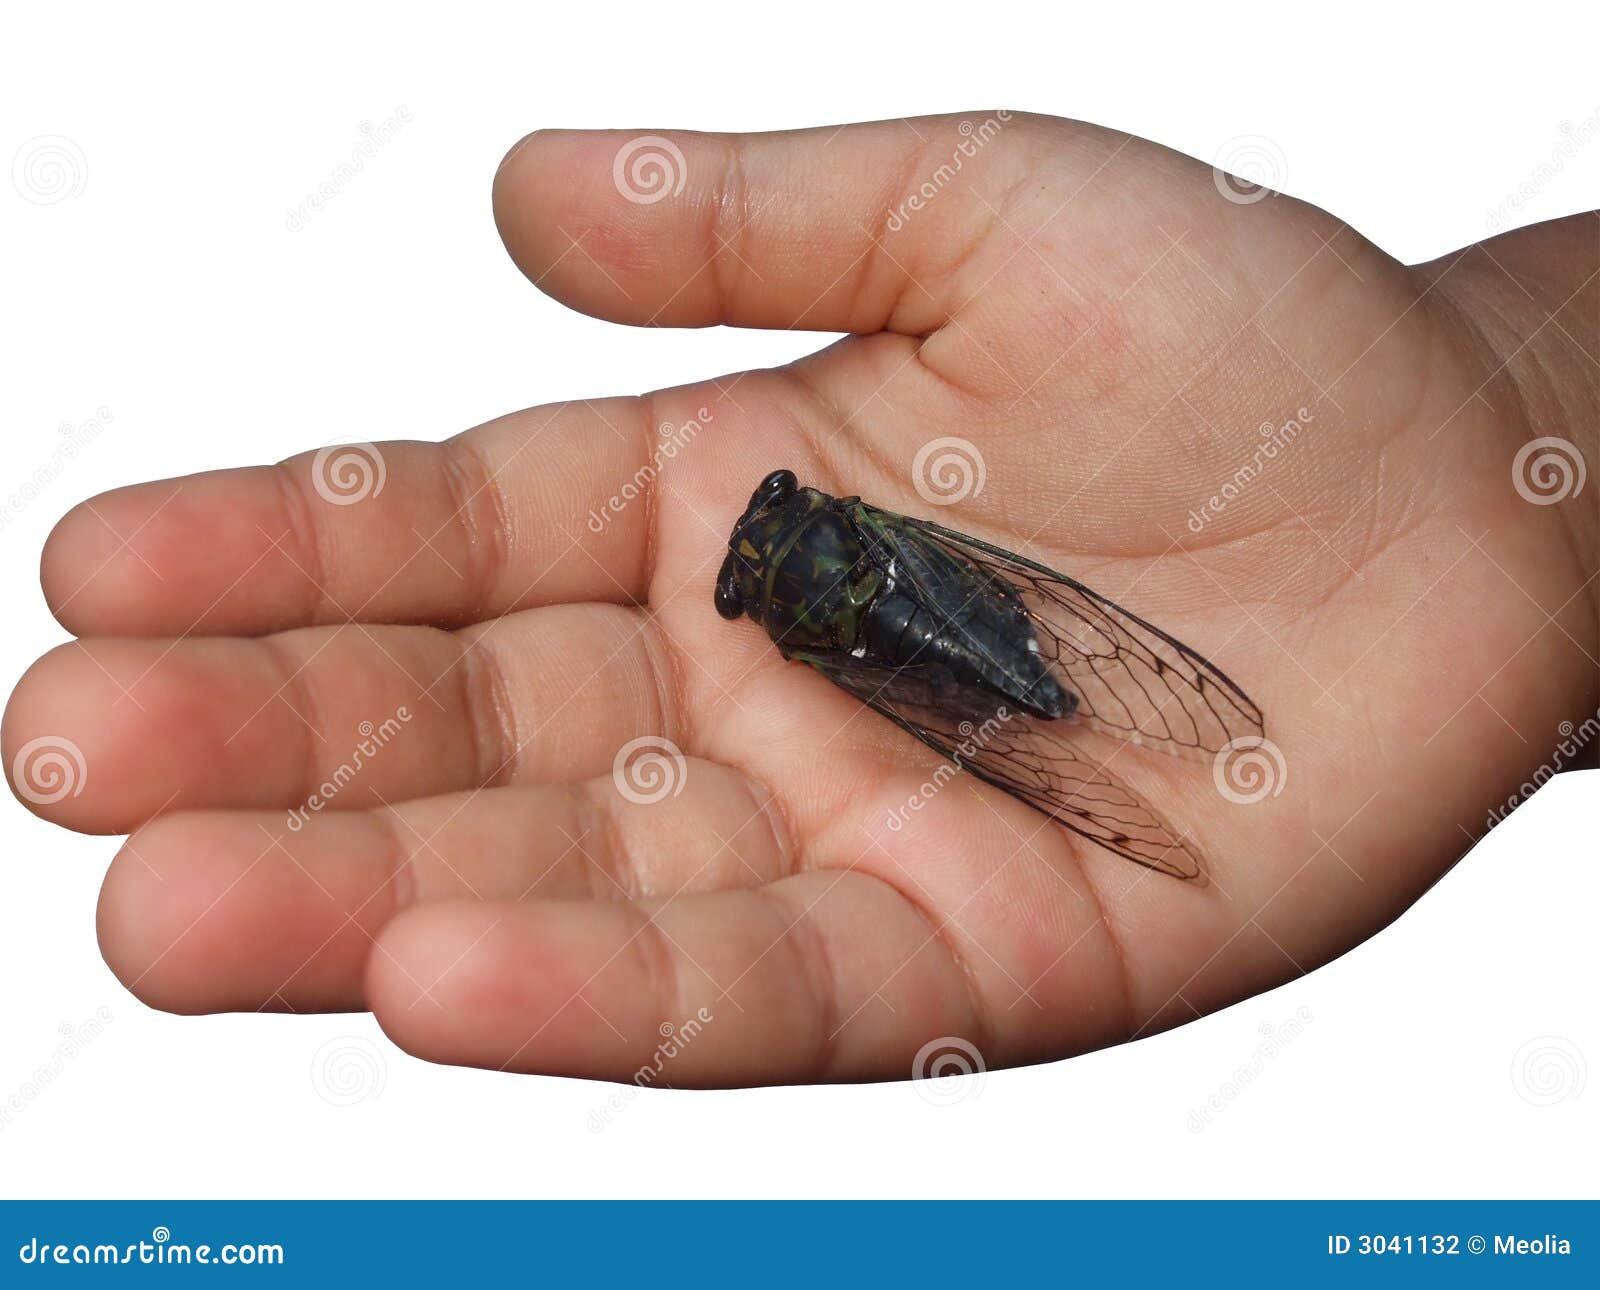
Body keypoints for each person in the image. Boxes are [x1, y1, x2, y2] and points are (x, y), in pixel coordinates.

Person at [5, 113, 1595, 1086]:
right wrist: (1521, 427)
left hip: (961, 624)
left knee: (1018, 656)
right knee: (1009, 681)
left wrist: (1518, 428)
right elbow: (943, 643)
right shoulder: (854, 565)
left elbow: (979, 614)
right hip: (950, 623)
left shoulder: (817, 625)